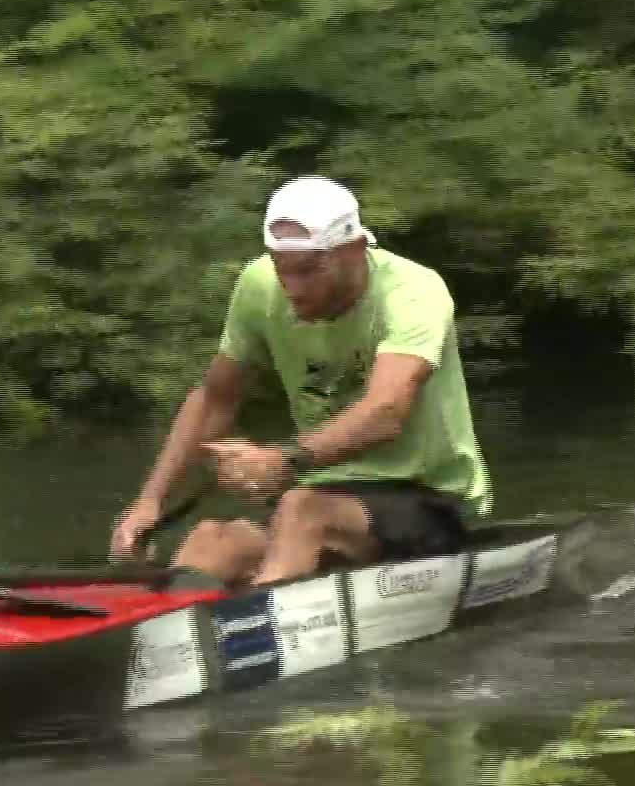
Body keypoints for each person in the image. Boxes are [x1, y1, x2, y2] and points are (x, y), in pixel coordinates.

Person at [109, 175, 492, 589]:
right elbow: (215, 399)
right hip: (321, 490)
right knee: (212, 541)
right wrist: (151, 501)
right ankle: (161, 623)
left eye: (309, 271)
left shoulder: (413, 292)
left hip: (428, 497)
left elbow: (385, 413)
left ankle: (253, 626)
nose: (292, 289)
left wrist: (281, 462)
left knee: (302, 510)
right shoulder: (258, 287)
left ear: (354, 250)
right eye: (281, 269)